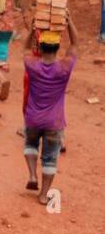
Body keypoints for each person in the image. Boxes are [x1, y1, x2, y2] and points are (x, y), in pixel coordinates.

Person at [22, 19, 76, 203]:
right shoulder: (64, 68)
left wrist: (32, 29)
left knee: (30, 145)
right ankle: (44, 195)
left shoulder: (32, 65)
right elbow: (75, 44)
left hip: (33, 119)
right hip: (54, 122)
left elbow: (25, 49)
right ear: (58, 47)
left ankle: (32, 175)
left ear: (41, 46)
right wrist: (69, 23)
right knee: (50, 159)